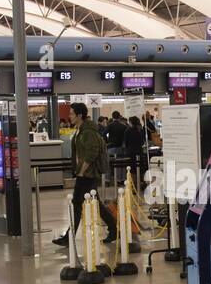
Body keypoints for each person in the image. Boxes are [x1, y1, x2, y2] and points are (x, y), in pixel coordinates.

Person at [54, 102, 117, 247]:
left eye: (71, 114)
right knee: (94, 203)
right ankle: (114, 228)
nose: (69, 116)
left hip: (88, 174)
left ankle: (69, 238)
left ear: (79, 115)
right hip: (85, 173)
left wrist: (82, 171)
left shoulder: (88, 131)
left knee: (77, 203)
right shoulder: (80, 130)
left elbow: (92, 152)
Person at [123, 115, 148, 189]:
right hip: (139, 151)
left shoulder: (128, 130)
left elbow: (125, 142)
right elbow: (142, 142)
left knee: (132, 169)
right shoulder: (140, 130)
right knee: (140, 168)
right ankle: (141, 184)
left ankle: (133, 186)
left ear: (130, 122)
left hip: (131, 152)